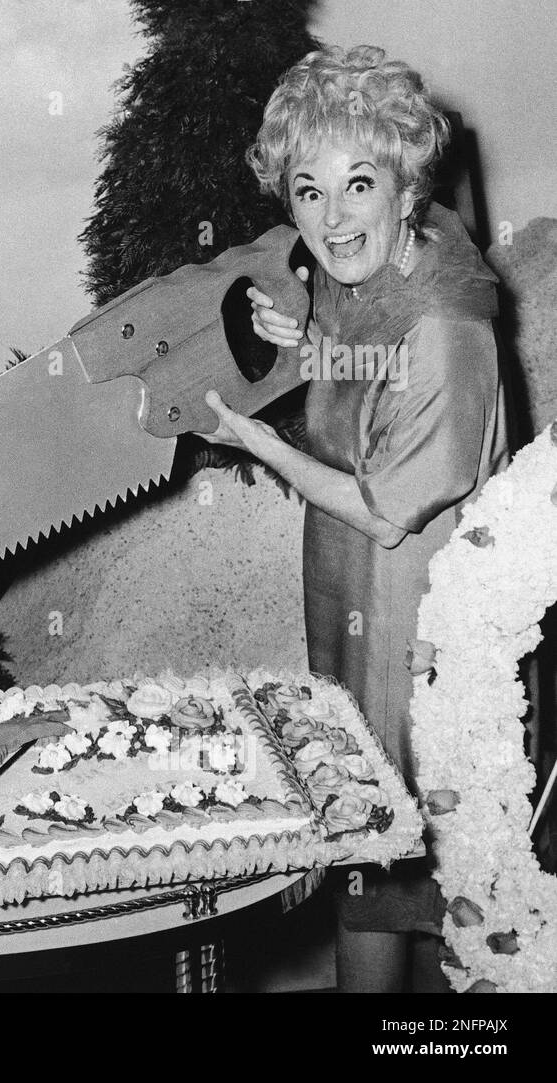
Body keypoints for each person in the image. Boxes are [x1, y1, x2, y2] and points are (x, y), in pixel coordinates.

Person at [196, 45, 509, 991]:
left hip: (425, 627)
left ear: (406, 186)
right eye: (307, 190)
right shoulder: (366, 260)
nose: (331, 219)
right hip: (349, 598)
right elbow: (368, 369)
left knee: (448, 860)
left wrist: (260, 443)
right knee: (362, 838)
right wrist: (315, 343)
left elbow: (383, 507)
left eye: (357, 184)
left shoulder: (452, 327)